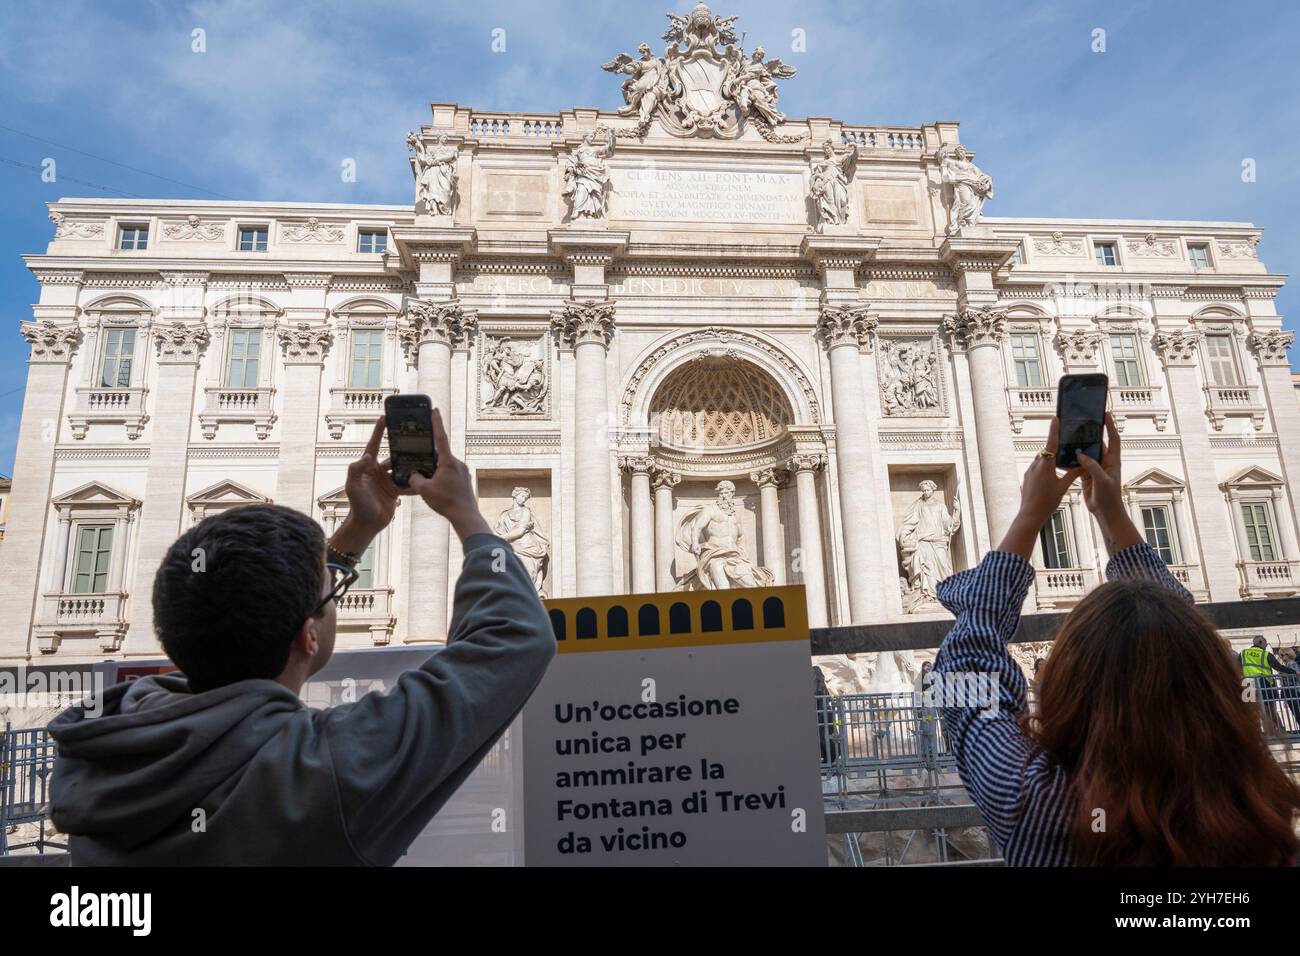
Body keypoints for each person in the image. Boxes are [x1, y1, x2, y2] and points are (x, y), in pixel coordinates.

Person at [48, 412, 556, 865]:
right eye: (328, 593)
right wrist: (467, 514)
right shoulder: (327, 769)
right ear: (308, 636)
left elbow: (229, 620)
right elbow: (514, 638)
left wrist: (355, 532)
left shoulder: (100, 744)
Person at [934, 414, 1300, 866]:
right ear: (1216, 689)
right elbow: (1185, 647)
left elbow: (961, 676)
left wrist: (1031, 516)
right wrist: (1112, 512)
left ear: (1068, 688)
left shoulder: (1036, 803)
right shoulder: (1256, 798)